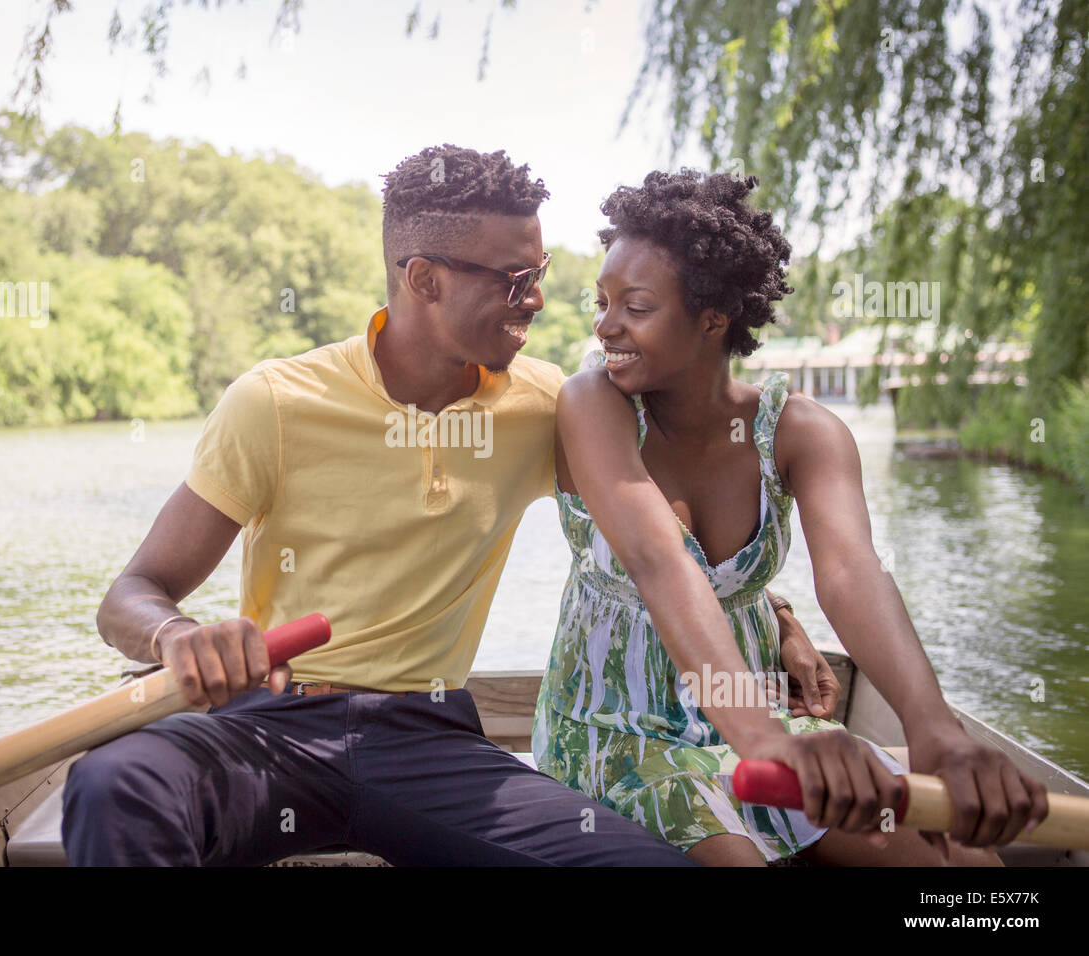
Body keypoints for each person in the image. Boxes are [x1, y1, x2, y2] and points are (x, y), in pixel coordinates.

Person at [65, 145, 806, 867]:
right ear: (422, 279)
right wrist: (174, 635)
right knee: (112, 783)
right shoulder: (274, 403)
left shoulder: (551, 406)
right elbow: (130, 595)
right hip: (270, 728)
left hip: (429, 739)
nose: (539, 299)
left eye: (539, 273)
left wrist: (781, 617)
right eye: (515, 278)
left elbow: (659, 534)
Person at [532, 169, 1050, 866]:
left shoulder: (800, 430)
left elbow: (850, 573)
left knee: (962, 864)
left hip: (758, 719)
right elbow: (660, 563)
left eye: (637, 306)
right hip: (615, 731)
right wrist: (767, 743)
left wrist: (935, 729)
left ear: (713, 317)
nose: (605, 325)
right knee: (737, 860)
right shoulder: (594, 401)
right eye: (602, 301)